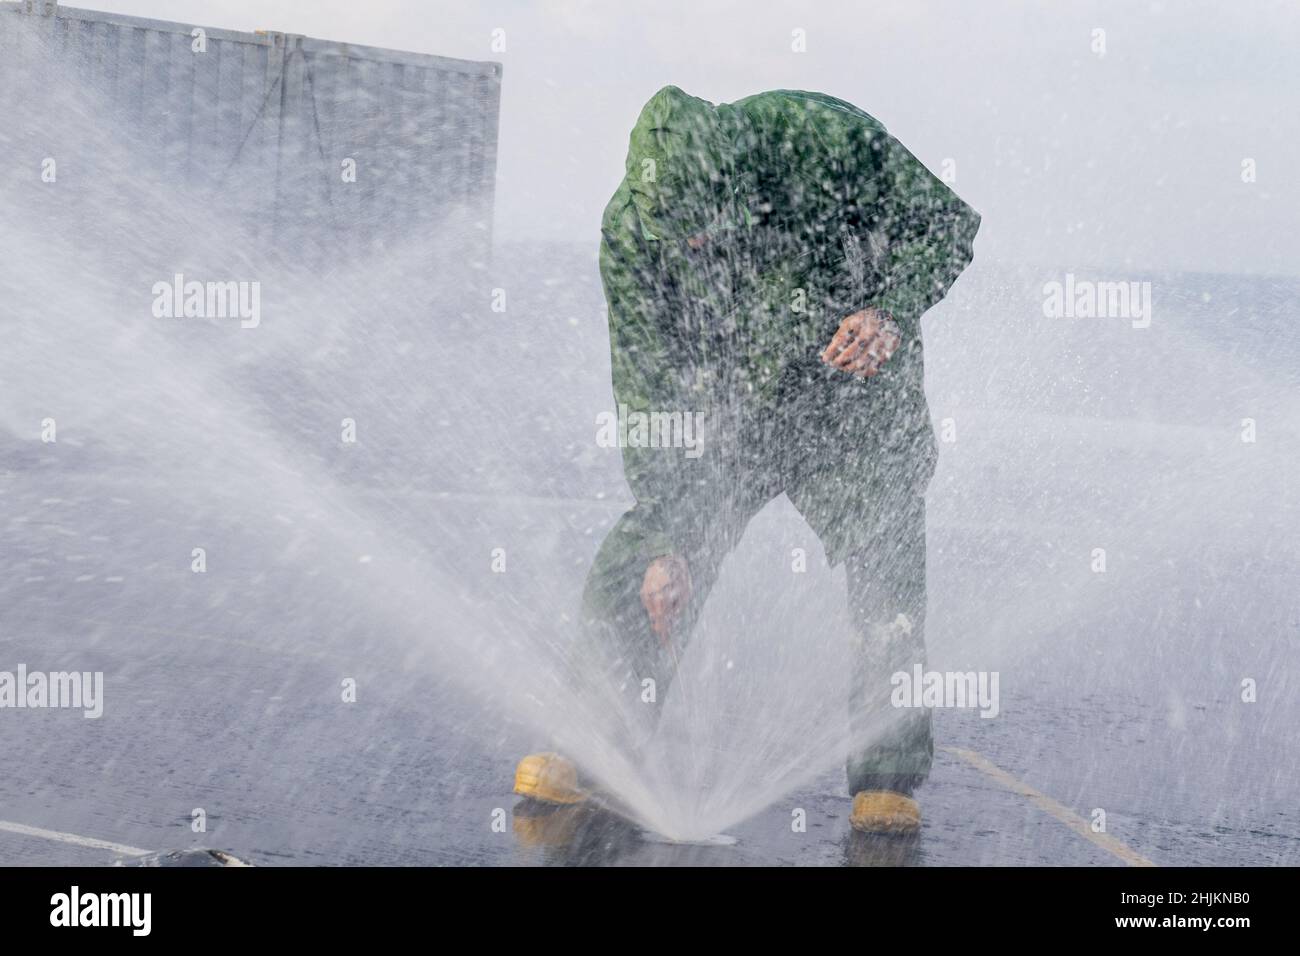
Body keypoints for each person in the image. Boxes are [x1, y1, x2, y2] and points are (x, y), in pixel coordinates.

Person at [515, 85, 980, 835]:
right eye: (679, 235)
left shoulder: (820, 137)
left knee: (887, 564)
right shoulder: (633, 232)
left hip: (853, 400)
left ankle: (886, 778)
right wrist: (671, 534)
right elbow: (649, 382)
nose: (694, 246)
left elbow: (946, 226)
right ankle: (593, 742)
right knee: (640, 557)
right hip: (730, 410)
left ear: (734, 178)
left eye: (706, 228)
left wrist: (888, 308)